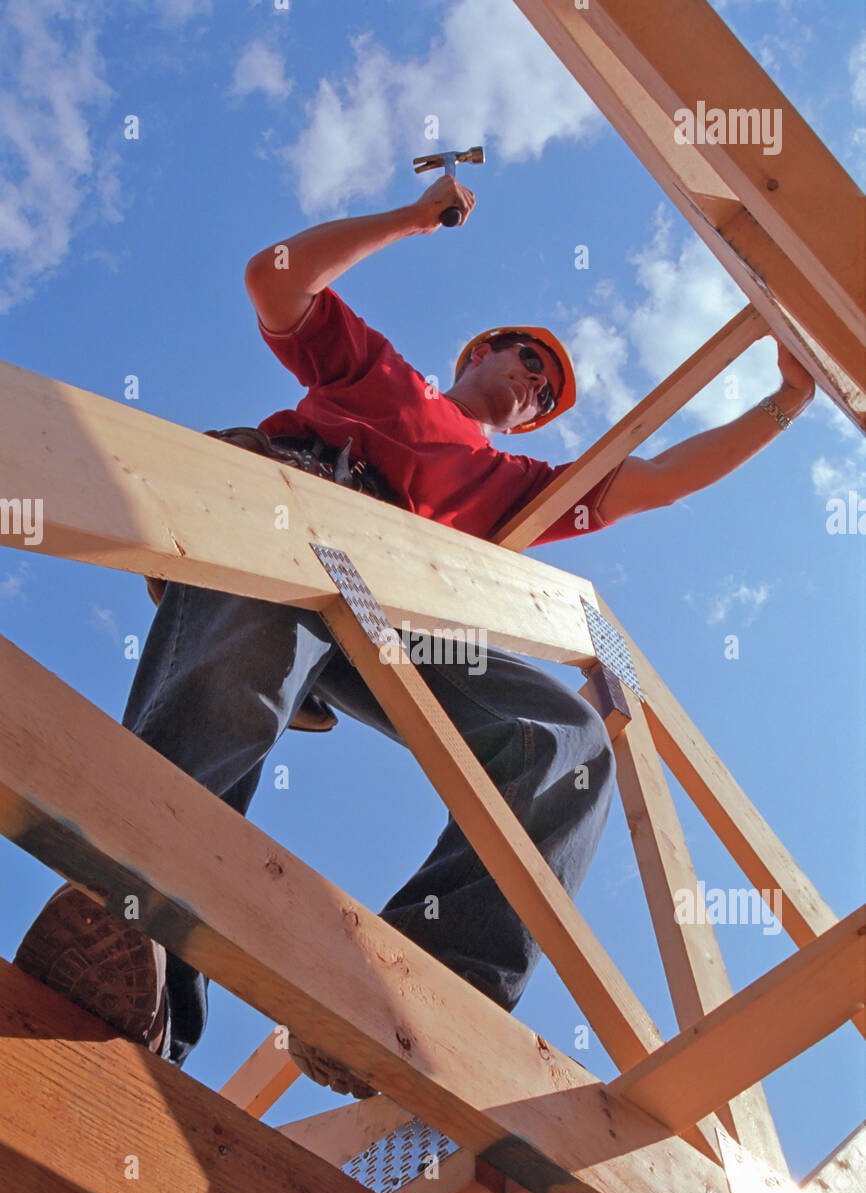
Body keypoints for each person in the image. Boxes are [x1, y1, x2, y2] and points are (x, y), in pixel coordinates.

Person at [15, 174, 815, 1097]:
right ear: (480, 349)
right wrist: (409, 219)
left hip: (391, 609)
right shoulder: (385, 379)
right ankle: (135, 946)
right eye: (526, 360)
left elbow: (659, 479)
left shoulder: (517, 482)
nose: (533, 384)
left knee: (567, 738)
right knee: (236, 682)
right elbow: (274, 280)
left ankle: (422, 990)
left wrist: (784, 402)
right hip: (289, 515)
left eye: (547, 389)